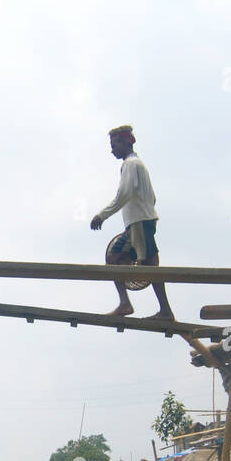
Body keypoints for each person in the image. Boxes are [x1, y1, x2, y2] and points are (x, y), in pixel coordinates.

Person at [90, 124, 173, 320]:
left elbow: (124, 194)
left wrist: (102, 215)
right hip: (144, 221)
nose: (112, 150)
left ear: (124, 143)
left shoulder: (130, 165)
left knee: (114, 258)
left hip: (139, 223)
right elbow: (152, 198)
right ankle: (165, 310)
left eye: (114, 144)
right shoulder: (139, 164)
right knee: (150, 264)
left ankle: (126, 304)